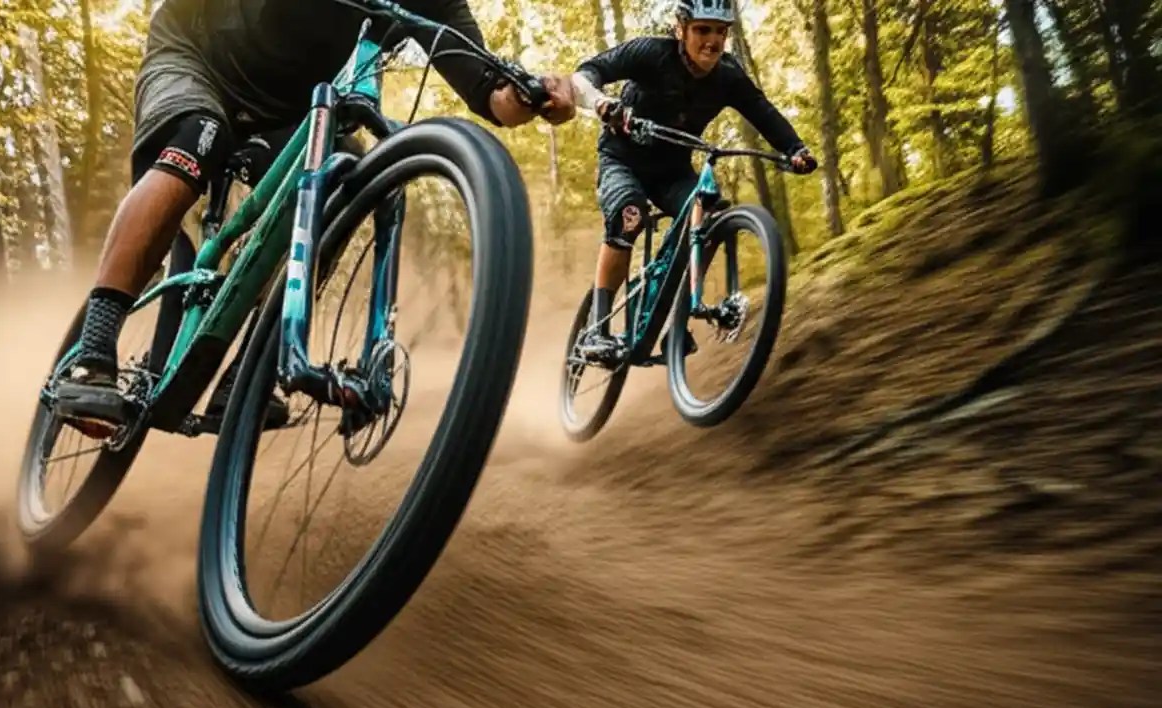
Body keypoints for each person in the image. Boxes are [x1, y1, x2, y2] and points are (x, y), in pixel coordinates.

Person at [56, 0, 576, 434]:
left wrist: (538, 94)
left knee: (332, 183)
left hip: (287, 112)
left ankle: (245, 378)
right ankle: (92, 353)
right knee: (199, 137)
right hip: (196, 56)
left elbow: (493, 94)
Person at [567, 0, 817, 360]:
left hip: (672, 172)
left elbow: (763, 113)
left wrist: (795, 149)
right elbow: (586, 73)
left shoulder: (728, 76)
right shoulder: (650, 53)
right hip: (622, 161)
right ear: (680, 28)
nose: (712, 41)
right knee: (629, 215)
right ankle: (598, 331)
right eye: (702, 29)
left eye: (720, 32)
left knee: (709, 213)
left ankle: (677, 319)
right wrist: (604, 104)